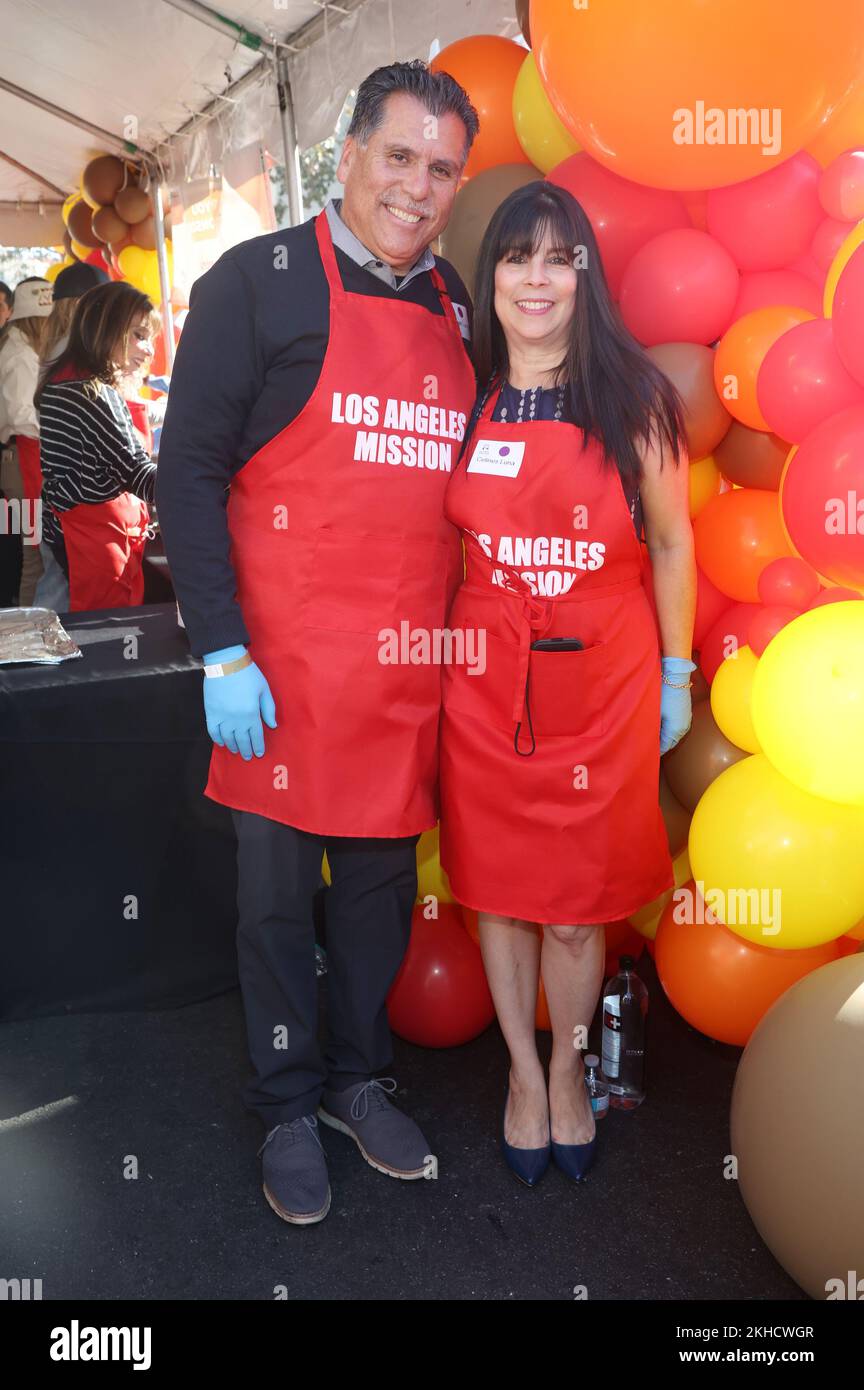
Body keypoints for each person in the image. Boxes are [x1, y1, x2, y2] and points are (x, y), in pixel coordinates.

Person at [156, 60, 478, 1226]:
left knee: (378, 903)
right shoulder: (258, 283)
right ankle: (288, 1098)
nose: (417, 185)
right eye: (399, 156)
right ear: (345, 154)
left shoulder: (458, 309)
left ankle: (357, 1077)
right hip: (281, 676)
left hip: (403, 682)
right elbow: (185, 472)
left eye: (442, 169)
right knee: (278, 908)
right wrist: (221, 650)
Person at [438, 181, 697, 1187]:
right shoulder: (466, 394)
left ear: (584, 274)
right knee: (499, 894)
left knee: (577, 906)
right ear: (490, 277)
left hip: (605, 682)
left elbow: (672, 541)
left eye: (558, 258)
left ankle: (571, 1068)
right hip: (487, 682)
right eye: (516, 258)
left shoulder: (634, 396)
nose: (536, 279)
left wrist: (677, 670)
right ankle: (520, 1073)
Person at [36, 281, 158, 611]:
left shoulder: (62, 379)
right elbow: (139, 474)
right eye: (138, 335)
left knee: (56, 622)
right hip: (91, 543)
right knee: (95, 644)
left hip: (64, 531)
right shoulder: (95, 395)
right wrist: (203, 485)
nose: (148, 350)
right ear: (106, 329)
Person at [0, 277, 53, 604]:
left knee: (31, 554)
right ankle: (28, 636)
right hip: (22, 464)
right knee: (34, 555)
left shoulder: (16, 346)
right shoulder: (19, 353)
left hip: (18, 463)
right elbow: (22, 416)